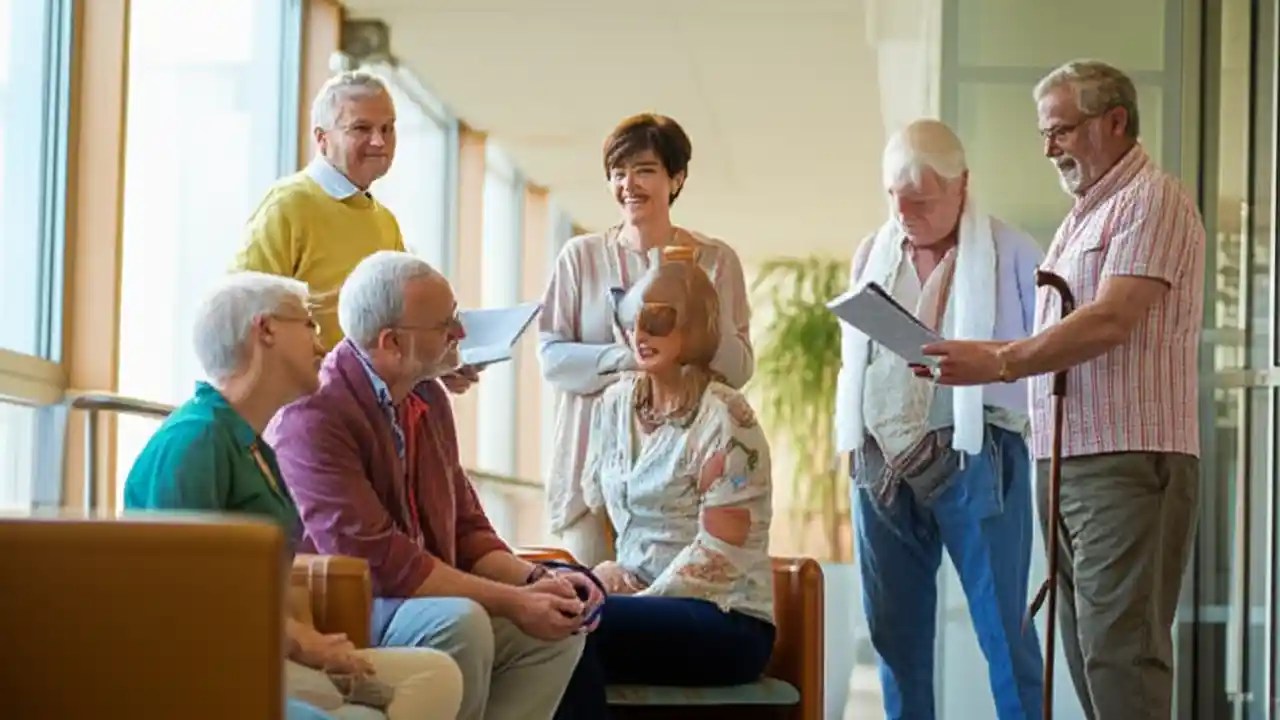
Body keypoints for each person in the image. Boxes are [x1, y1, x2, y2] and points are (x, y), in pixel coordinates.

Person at [922, 60, 1205, 720]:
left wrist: (998, 363)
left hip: (1127, 461)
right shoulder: (1085, 215)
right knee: (1085, 652)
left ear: (1115, 122)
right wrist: (972, 352)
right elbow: (1061, 329)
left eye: (1062, 131)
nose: (1048, 147)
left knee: (1119, 652)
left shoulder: (1151, 199)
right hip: (1069, 462)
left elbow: (1110, 318)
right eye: (1044, 133)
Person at [266, 251, 592, 720]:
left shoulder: (428, 397)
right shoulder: (314, 415)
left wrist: (538, 582)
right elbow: (378, 560)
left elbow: (467, 528)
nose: (461, 334)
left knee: (558, 630)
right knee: (463, 622)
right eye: (446, 324)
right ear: (392, 343)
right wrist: (515, 601)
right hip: (351, 606)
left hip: (414, 596)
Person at [122, 271, 463, 720]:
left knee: (436, 676)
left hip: (266, 648)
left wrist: (315, 643)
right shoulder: (195, 441)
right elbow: (194, 600)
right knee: (352, 711)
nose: (322, 347)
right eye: (309, 325)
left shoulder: (254, 446)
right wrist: (309, 646)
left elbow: (279, 583)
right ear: (265, 330)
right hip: (209, 662)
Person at [834, 119, 1045, 719]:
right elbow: (860, 361)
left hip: (979, 457)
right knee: (894, 639)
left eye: (922, 204)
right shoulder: (870, 253)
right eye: (897, 204)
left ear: (963, 187)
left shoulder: (1013, 251)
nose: (907, 216)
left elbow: (1050, 361)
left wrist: (988, 369)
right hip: (879, 463)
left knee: (1005, 634)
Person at [554, 252, 776, 718]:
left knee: (580, 621)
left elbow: (720, 553)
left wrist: (629, 596)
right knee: (545, 597)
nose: (641, 332)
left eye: (659, 318)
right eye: (634, 317)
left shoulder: (725, 416)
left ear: (696, 327)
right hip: (637, 600)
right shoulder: (613, 406)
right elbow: (604, 506)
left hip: (723, 616)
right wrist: (610, 574)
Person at [539, 113, 753, 567]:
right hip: (591, 472)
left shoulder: (716, 260)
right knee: (592, 611)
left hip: (684, 475)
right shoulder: (581, 257)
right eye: (618, 173)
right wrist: (628, 359)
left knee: (674, 610)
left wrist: (697, 297)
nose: (629, 184)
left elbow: (739, 370)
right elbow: (552, 357)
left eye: (645, 171)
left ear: (676, 179)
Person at [233, 69, 478, 394]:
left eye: (388, 129)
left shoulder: (384, 221)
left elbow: (398, 325)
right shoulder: (287, 206)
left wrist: (439, 363)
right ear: (322, 139)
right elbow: (240, 313)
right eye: (361, 128)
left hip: (365, 409)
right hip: (305, 410)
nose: (379, 141)